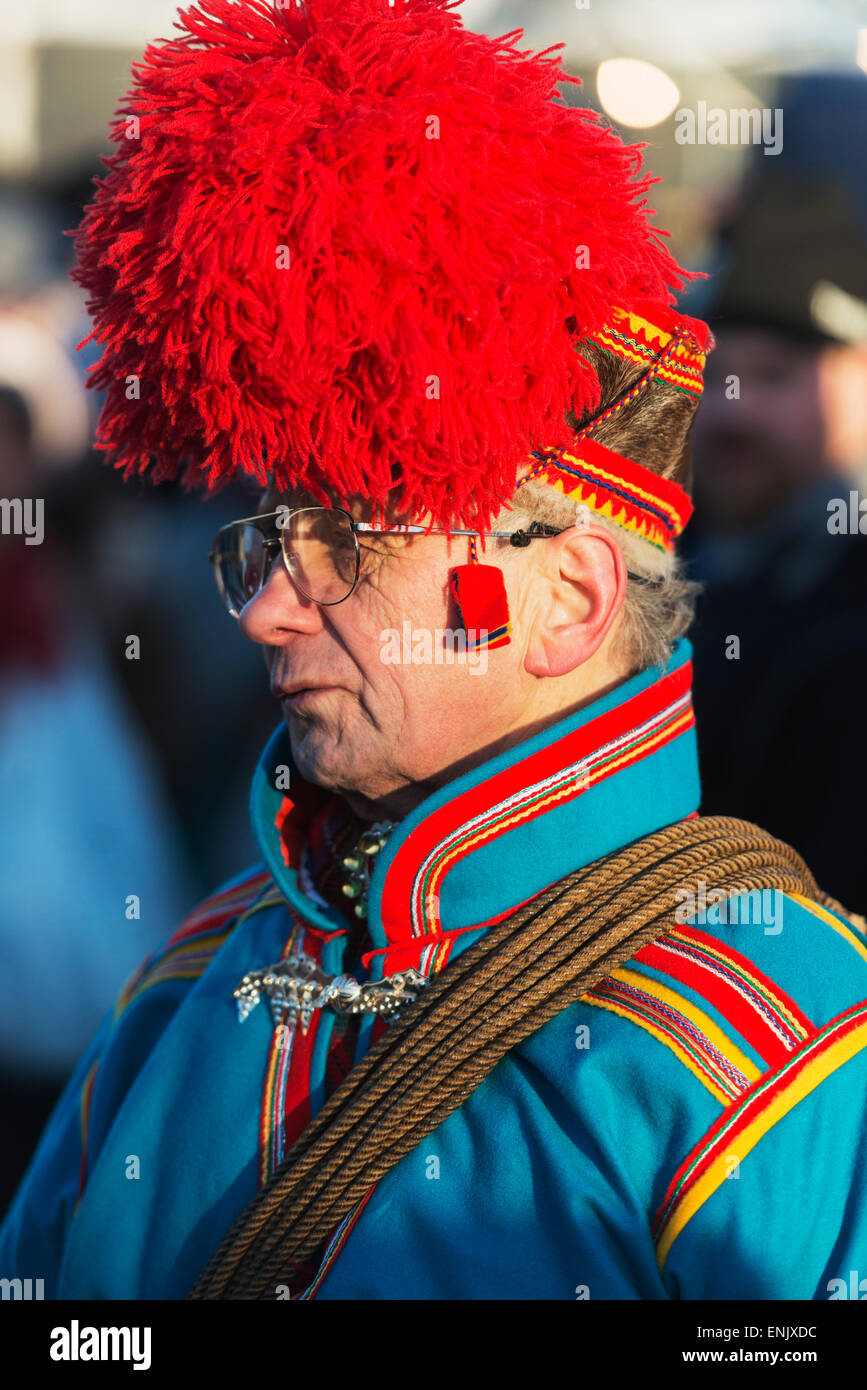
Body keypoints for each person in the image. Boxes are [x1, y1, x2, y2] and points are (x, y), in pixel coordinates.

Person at [1, 0, 866, 1301]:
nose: (265, 614)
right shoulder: (183, 987)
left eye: (348, 543)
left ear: (567, 597)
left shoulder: (790, 1047)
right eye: (267, 546)